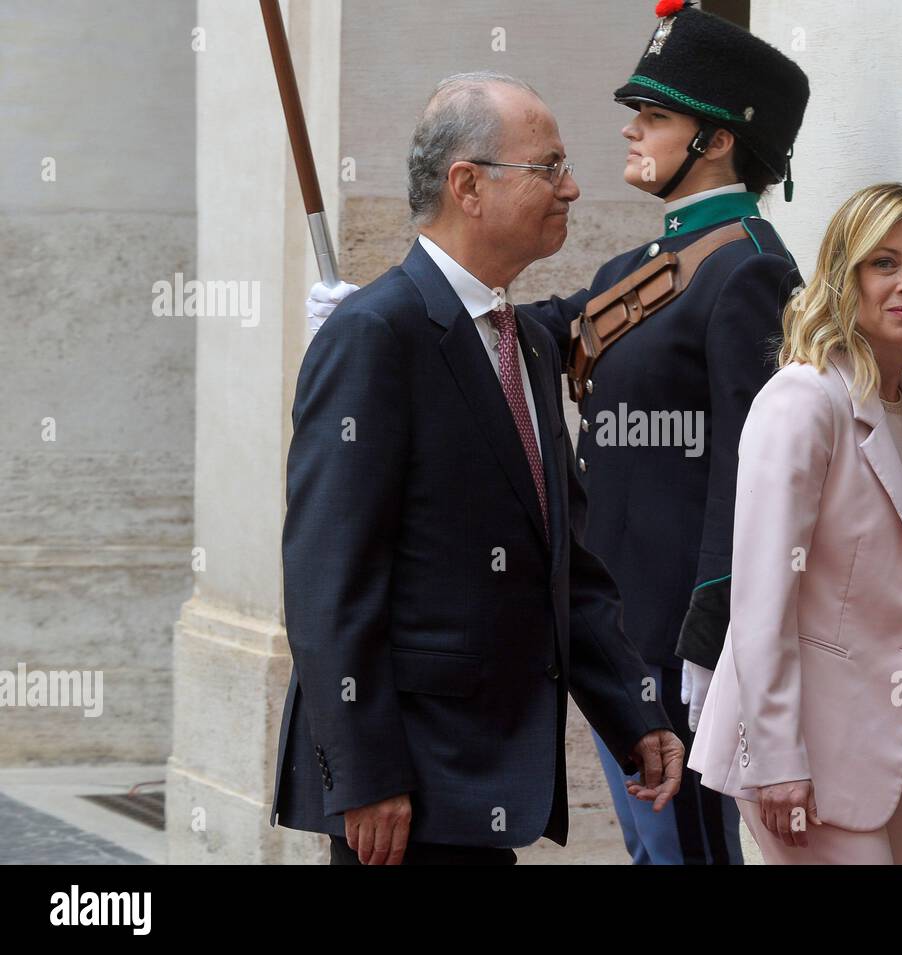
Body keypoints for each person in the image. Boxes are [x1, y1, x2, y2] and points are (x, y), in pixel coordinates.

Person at [307, 0, 808, 865]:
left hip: (666, 635)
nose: (626, 138)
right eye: (552, 166)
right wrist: (370, 320)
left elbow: (750, 475)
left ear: (716, 139)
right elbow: (520, 335)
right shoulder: (636, 271)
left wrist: (711, 632)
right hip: (599, 643)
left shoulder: (749, 268)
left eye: (653, 116)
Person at [270, 71, 683, 866]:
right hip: (404, 794)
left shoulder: (519, 340)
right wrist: (365, 773)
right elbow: (329, 580)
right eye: (550, 167)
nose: (572, 188)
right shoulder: (374, 336)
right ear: (468, 185)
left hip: (487, 784)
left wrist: (635, 708)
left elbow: (565, 567)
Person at [688, 182, 902, 864]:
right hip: (802, 750)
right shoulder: (803, 401)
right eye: (885, 263)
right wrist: (779, 758)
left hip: (888, 740)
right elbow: (760, 599)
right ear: (846, 274)